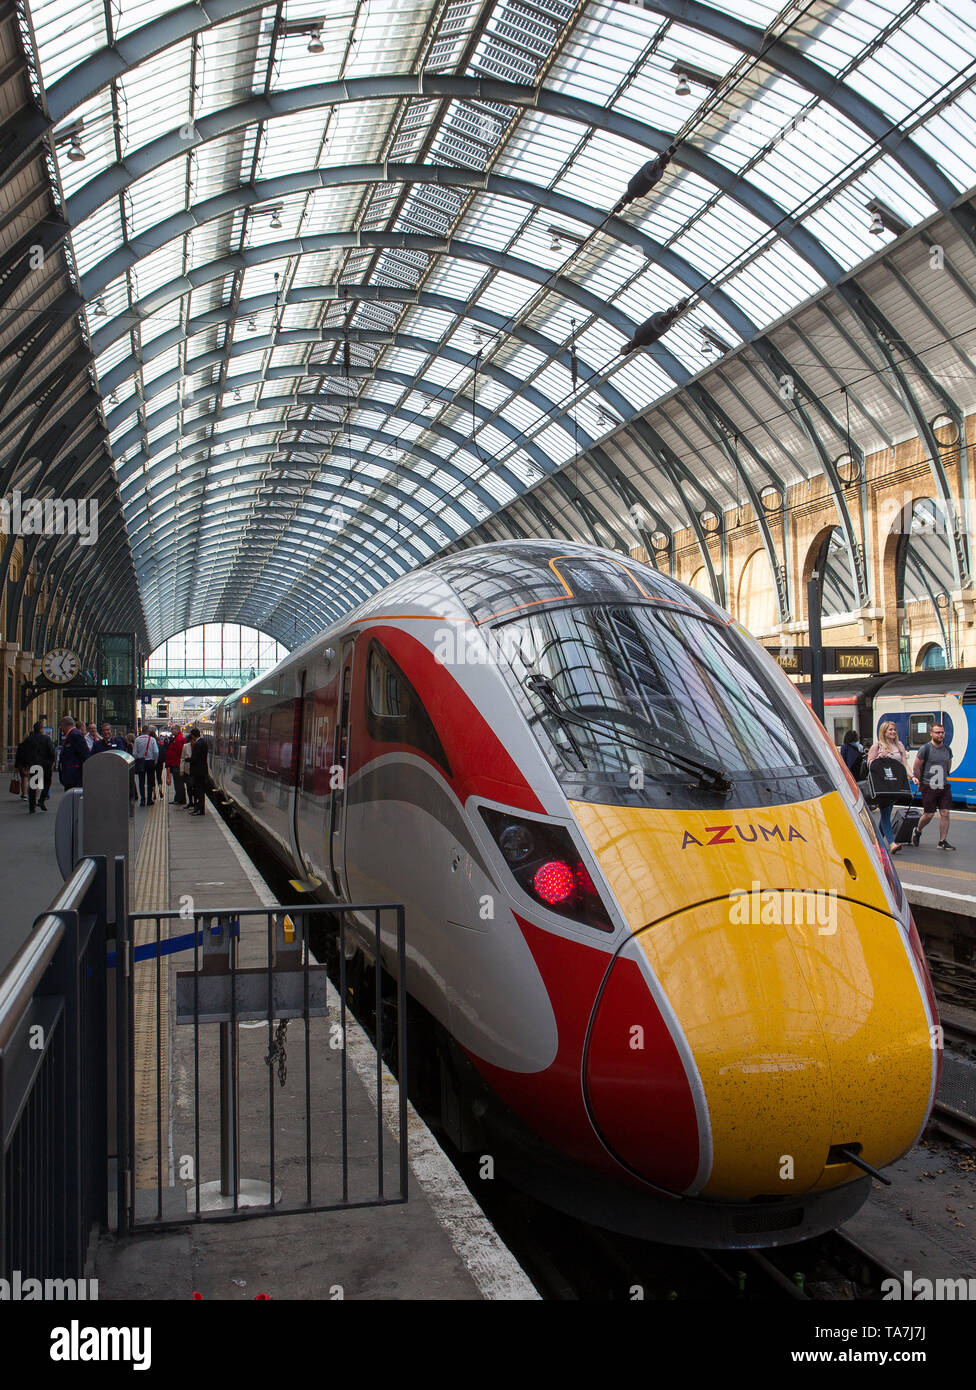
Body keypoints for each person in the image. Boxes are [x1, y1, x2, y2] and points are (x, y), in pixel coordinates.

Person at [866, 722, 911, 854]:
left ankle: (876, 843)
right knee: (885, 813)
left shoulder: (899, 745)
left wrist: (912, 776)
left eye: (894, 729)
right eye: (890, 730)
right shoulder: (877, 746)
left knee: (886, 813)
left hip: (894, 784)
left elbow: (904, 764)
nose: (893, 732)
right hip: (882, 784)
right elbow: (870, 764)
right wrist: (880, 757)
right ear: (884, 732)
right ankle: (891, 843)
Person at [911, 723, 954, 850]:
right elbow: (916, 766)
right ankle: (918, 830)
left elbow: (948, 764)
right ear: (931, 733)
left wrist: (945, 776)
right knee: (929, 814)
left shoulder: (947, 749)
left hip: (943, 786)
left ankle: (942, 841)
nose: (940, 735)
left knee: (945, 812)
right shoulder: (925, 749)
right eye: (937, 732)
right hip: (929, 786)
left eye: (942, 732)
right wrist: (920, 781)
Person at [20, 720, 56, 812]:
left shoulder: (28, 739)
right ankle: (41, 799)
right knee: (47, 783)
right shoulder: (46, 739)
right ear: (41, 729)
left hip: (34, 764)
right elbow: (51, 752)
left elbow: (23, 752)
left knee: (33, 785)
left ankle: (32, 806)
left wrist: (24, 764)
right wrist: (52, 762)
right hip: (45, 764)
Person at [58, 716, 90, 790]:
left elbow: (84, 754)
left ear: (65, 725)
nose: (61, 729)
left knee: (72, 797)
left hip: (74, 776)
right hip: (71, 775)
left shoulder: (75, 735)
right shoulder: (71, 735)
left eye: (61, 726)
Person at [132, 726, 160, 805]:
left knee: (141, 781)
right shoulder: (152, 739)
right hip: (150, 762)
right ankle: (149, 799)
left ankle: (142, 799)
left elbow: (134, 753)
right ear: (148, 731)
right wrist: (155, 760)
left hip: (141, 762)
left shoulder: (137, 740)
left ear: (142, 731)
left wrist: (138, 759)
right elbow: (156, 752)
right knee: (150, 781)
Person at [188, 726, 210, 815]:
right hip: (202, 770)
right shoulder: (203, 742)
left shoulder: (198, 744)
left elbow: (195, 758)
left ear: (193, 736)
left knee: (199, 791)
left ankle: (200, 810)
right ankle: (199, 809)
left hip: (198, 771)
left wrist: (188, 759)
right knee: (200, 790)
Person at [166, 727, 187, 805]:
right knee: (178, 782)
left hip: (177, 764)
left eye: (173, 729)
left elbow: (179, 752)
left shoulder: (179, 739)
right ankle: (178, 798)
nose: (172, 731)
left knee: (178, 782)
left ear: (178, 730)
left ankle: (180, 799)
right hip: (175, 763)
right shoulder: (177, 739)